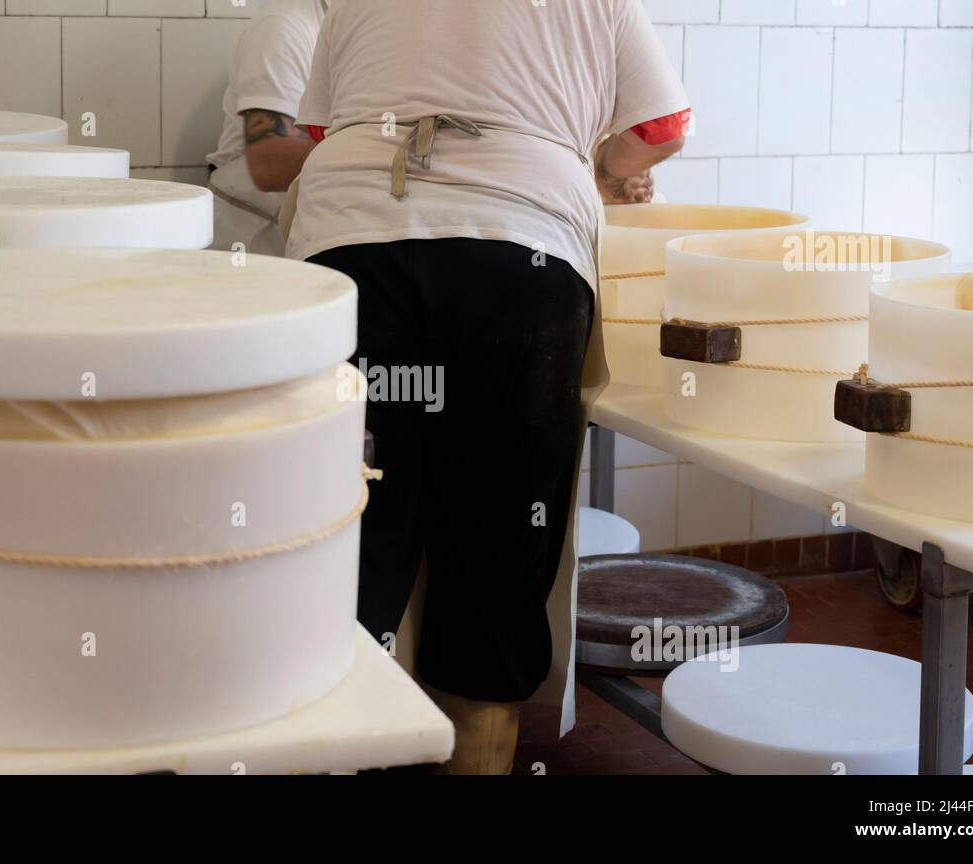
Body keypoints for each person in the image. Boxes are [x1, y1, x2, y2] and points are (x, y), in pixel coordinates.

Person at [287, 0, 689, 774]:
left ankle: (342, 731)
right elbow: (663, 126)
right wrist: (599, 169)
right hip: (519, 261)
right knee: (497, 555)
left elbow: (318, 131)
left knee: (353, 534)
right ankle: (479, 742)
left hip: (353, 251)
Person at [206, 0, 328, 257]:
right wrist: (376, 152)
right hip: (252, 236)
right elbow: (272, 164)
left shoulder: (371, 30)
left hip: (311, 230)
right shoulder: (282, 29)